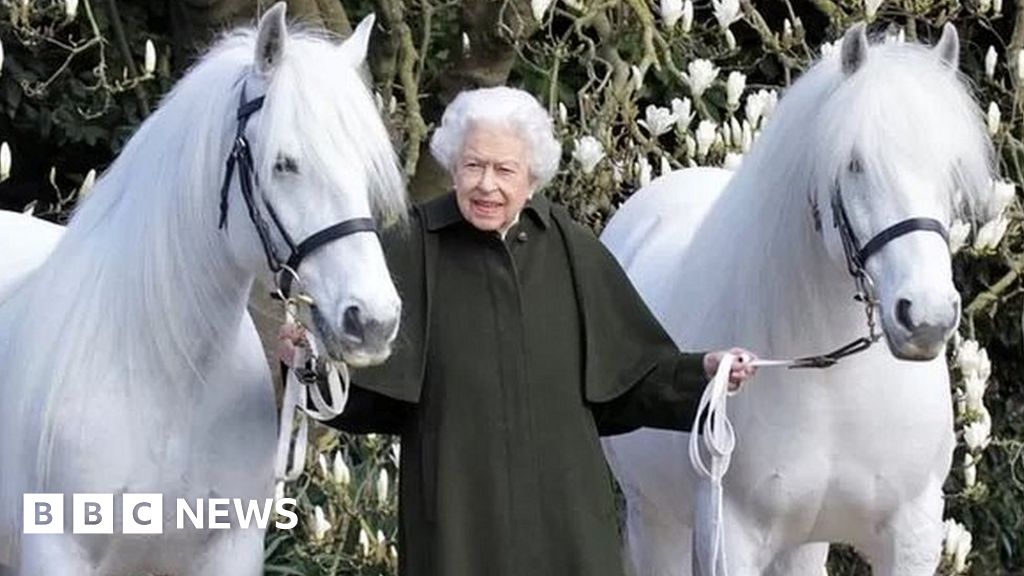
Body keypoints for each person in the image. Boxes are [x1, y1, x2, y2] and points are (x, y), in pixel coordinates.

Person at [278, 86, 757, 576]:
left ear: (532, 179)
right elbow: (370, 393)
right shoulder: (411, 246)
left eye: (504, 170)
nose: (487, 185)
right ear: (453, 167)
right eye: (473, 166)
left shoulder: (570, 247)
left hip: (568, 527)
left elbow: (631, 380)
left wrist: (703, 373)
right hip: (456, 525)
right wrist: (312, 366)